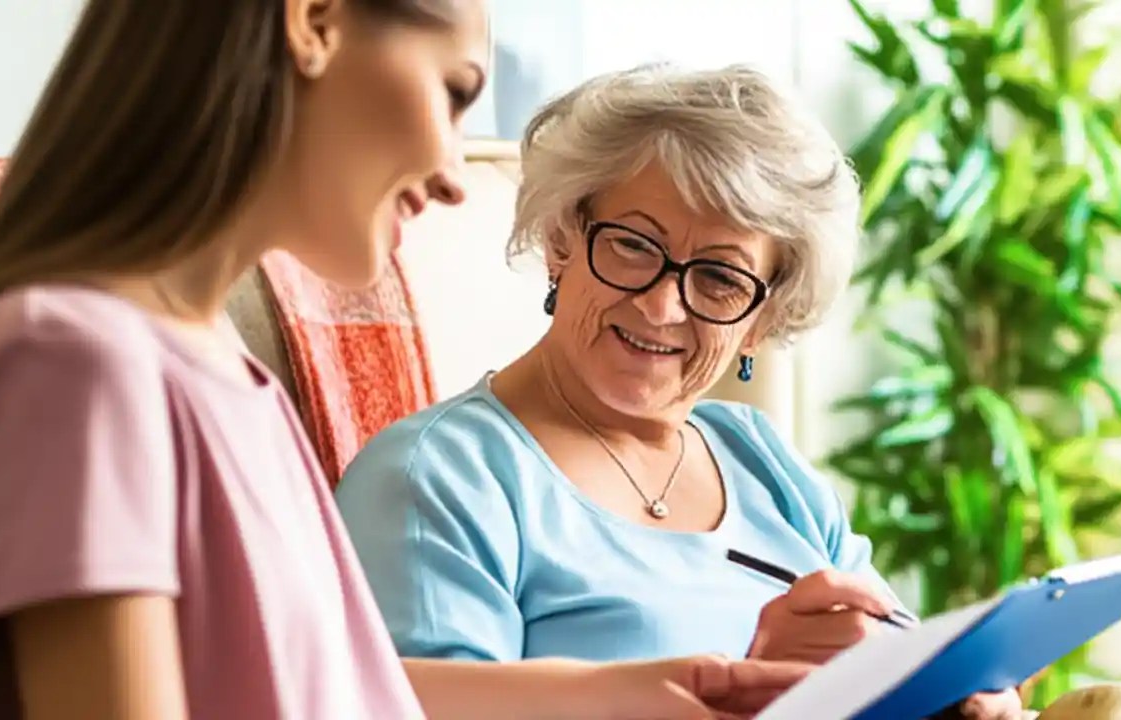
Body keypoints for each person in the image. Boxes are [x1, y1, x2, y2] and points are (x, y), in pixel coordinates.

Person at [0, 2, 810, 718]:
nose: (456, 177)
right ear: (314, 21)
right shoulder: (81, 365)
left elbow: (327, 694)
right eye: (454, 94)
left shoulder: (226, 373)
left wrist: (639, 693)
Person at [336, 64, 1026, 719]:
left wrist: (954, 691)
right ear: (560, 239)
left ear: (761, 322)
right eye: (634, 245)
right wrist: (758, 691)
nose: (662, 306)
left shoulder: (759, 458)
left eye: (720, 279)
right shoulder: (439, 478)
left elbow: (888, 650)